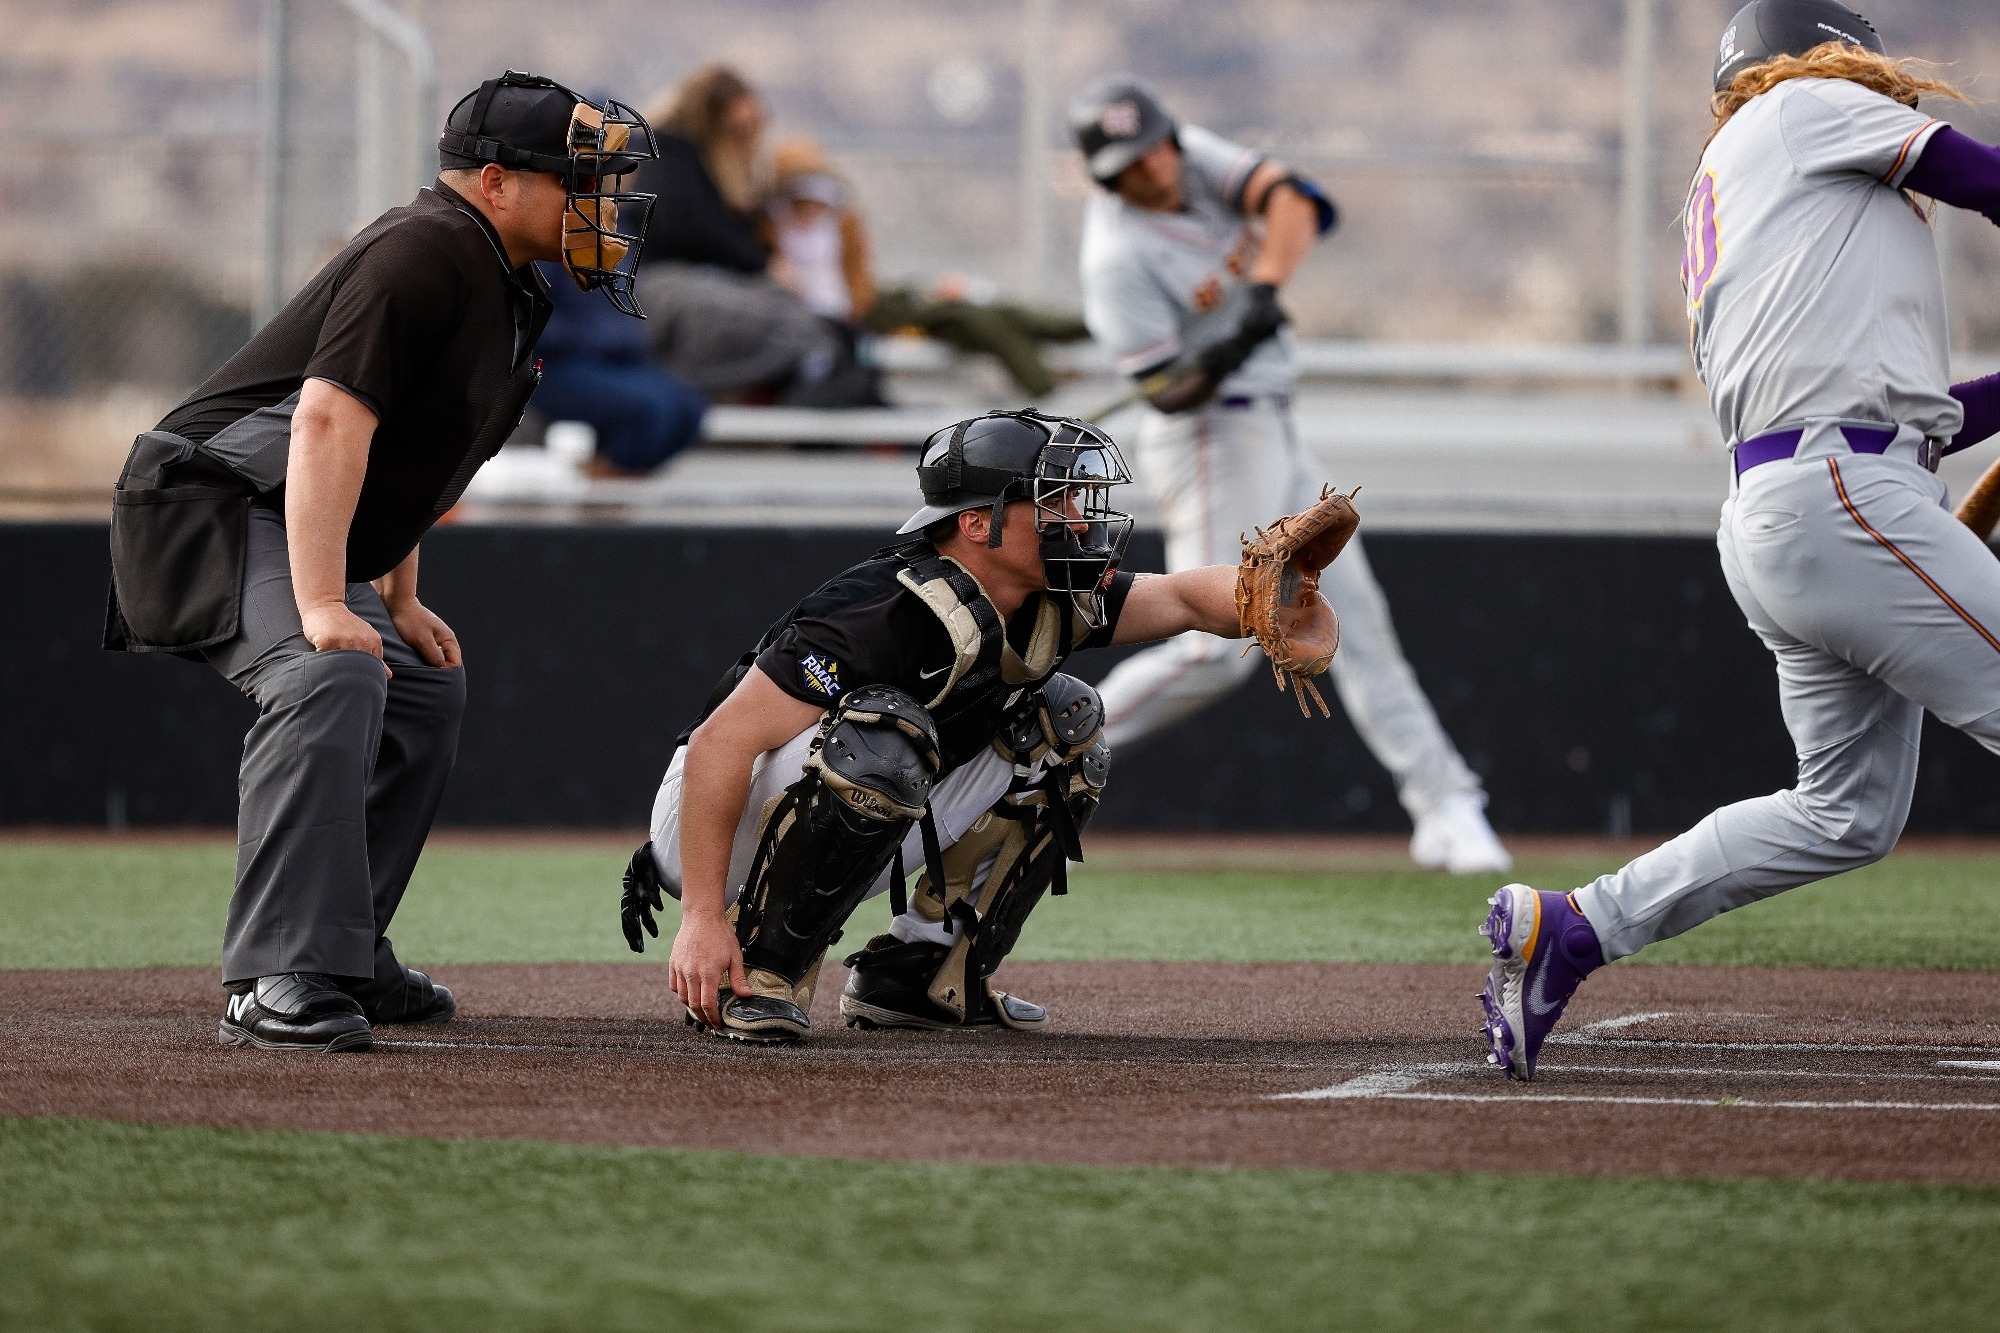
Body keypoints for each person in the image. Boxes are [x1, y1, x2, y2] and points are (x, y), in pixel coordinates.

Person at [1479, 0, 2000, 1082]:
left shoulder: (1744, 169)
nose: (1874, 72)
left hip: (1795, 508)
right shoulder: (1808, 105)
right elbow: (1988, 179)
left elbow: (1898, 399)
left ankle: (1573, 928)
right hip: (1845, 501)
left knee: (1842, 813)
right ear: (1811, 52)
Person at [102, 71, 658, 1052]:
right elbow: (327, 421)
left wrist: (397, 595)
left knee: (418, 685)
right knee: (328, 669)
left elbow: (412, 463)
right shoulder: (424, 248)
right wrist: (326, 602)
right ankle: (275, 973)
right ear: (494, 181)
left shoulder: (504, 283)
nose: (596, 203)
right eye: (575, 179)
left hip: (286, 515)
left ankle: (343, 948)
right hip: (209, 508)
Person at [617, 409, 1345, 1043]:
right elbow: (722, 741)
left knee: (1065, 723)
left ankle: (919, 972)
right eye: (1056, 501)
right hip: (708, 819)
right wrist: (702, 916)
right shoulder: (884, 608)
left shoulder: (1052, 596)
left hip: (859, 786)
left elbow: (1184, 597)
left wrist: (1262, 594)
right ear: (976, 523)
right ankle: (763, 965)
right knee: (884, 735)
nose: (1082, 518)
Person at [1069, 75, 1511, 874]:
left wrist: (1263, 291)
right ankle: (1045, 743)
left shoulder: (1194, 157)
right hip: (1212, 433)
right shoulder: (1116, 256)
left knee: (1359, 621)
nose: (1157, 167)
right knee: (1211, 641)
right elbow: (1166, 392)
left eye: (1158, 147)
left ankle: (1445, 802)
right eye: (1133, 163)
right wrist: (1225, 345)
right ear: (1108, 176)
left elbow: (1297, 201)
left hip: (1273, 419)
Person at [631, 66, 859, 404]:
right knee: (795, 326)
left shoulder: (690, 164)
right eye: (741, 128)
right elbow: (698, 233)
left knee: (801, 321)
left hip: (689, 286)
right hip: (668, 287)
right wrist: (764, 264)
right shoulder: (670, 157)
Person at [532, 260, 706, 476]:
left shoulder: (612, 235)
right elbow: (530, 314)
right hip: (555, 363)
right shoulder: (547, 241)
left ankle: (614, 486)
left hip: (614, 360)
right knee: (649, 411)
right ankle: (602, 492)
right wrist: (595, 337)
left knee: (689, 408)